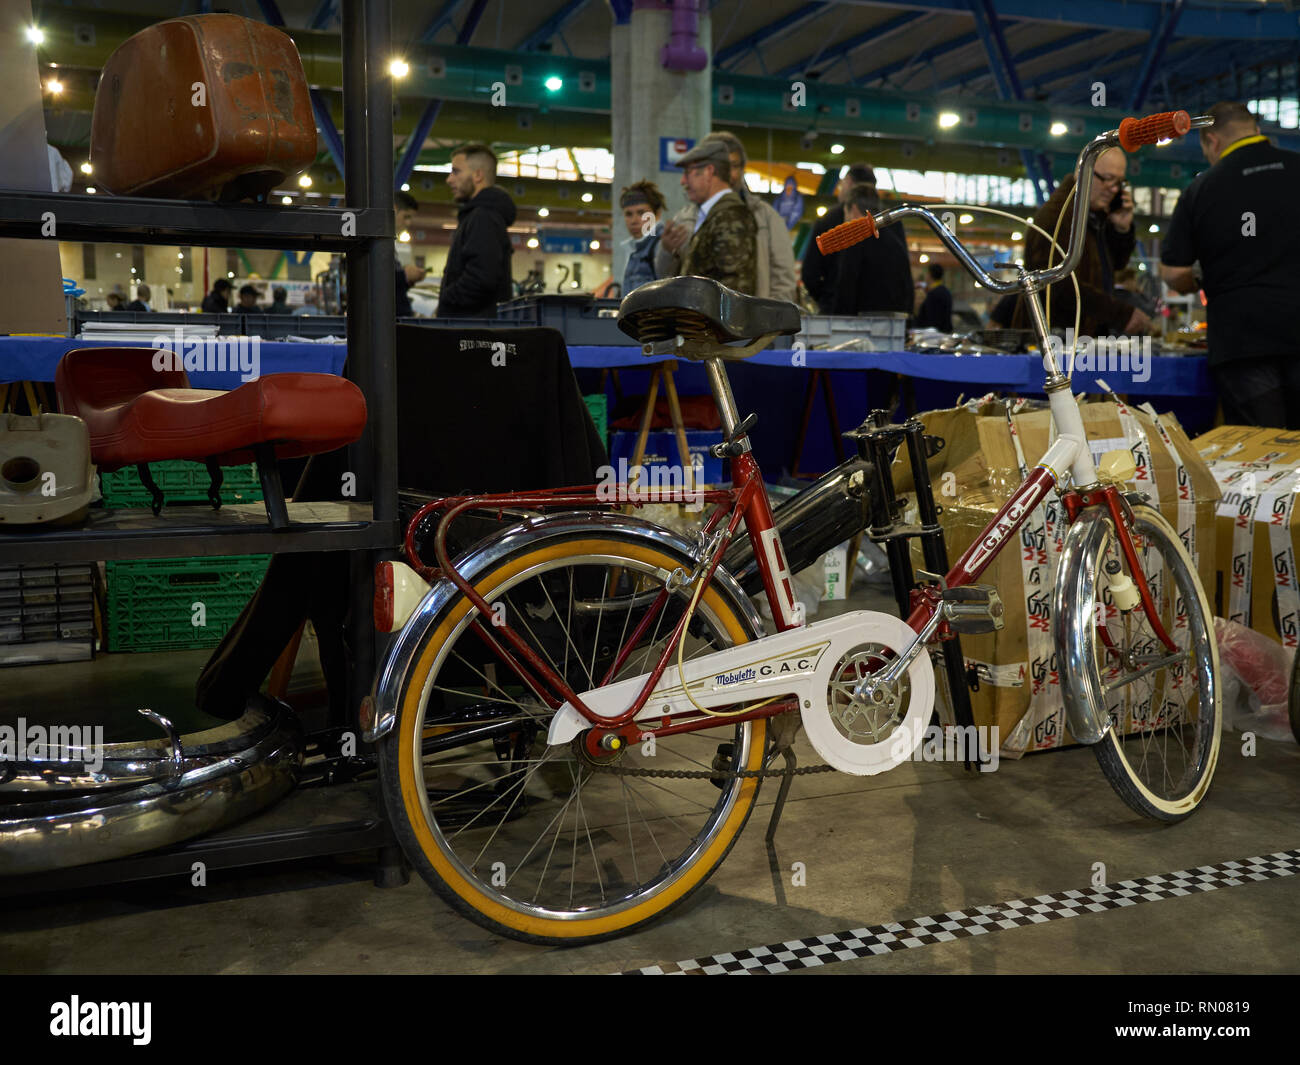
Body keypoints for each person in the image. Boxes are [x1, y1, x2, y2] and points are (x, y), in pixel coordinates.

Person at [1161, 101, 1300, 428]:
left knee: (1261, 452)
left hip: (1242, 342)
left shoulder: (1203, 187)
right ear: (1256, 130)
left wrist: (1203, 274)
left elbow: (1174, 272)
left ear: (1210, 140)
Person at [1011, 146, 1143, 338]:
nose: (1114, 189)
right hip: (1052, 340)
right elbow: (1056, 284)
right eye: (1107, 179)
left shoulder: (1092, 217)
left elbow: (1114, 267)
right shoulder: (1056, 219)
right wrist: (1120, 314)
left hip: (1077, 340)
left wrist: (1121, 230)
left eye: (1119, 182)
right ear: (1083, 172)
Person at [657, 131, 795, 302]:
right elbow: (668, 277)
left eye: (734, 165)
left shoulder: (765, 217)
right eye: (725, 165)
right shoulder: (685, 218)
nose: (729, 173)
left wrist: (770, 321)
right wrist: (667, 251)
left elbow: (783, 280)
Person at [663, 139, 756, 293]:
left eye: (688, 173)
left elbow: (732, 290)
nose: (683, 181)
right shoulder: (714, 215)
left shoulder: (730, 217)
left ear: (709, 171)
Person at [437, 143, 517, 318]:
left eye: (456, 171)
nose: (449, 179)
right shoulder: (478, 216)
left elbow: (481, 279)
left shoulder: (484, 218)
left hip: (472, 329)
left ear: (478, 175)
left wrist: (447, 300)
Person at [801, 164, 876, 313]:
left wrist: (827, 298)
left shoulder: (828, 221)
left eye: (842, 184)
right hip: (879, 313)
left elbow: (810, 273)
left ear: (849, 183)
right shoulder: (890, 222)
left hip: (836, 313)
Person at [830, 183, 913, 317]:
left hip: (862, 327)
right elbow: (908, 287)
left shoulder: (857, 239)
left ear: (854, 210)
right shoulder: (895, 241)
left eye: (846, 213)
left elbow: (845, 291)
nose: (844, 220)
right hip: (894, 327)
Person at [619, 180, 665, 295]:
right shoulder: (634, 250)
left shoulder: (662, 245)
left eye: (641, 213)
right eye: (628, 214)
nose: (634, 221)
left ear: (657, 214)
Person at [394, 190, 426, 317]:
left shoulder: (389, 244)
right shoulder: (376, 244)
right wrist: (404, 275)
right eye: (406, 216)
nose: (408, 223)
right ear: (393, 209)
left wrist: (406, 278)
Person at [915, 264, 954, 333]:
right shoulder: (946, 292)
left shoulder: (933, 294)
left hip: (933, 335)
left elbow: (930, 318)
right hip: (945, 332)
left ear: (929, 275)